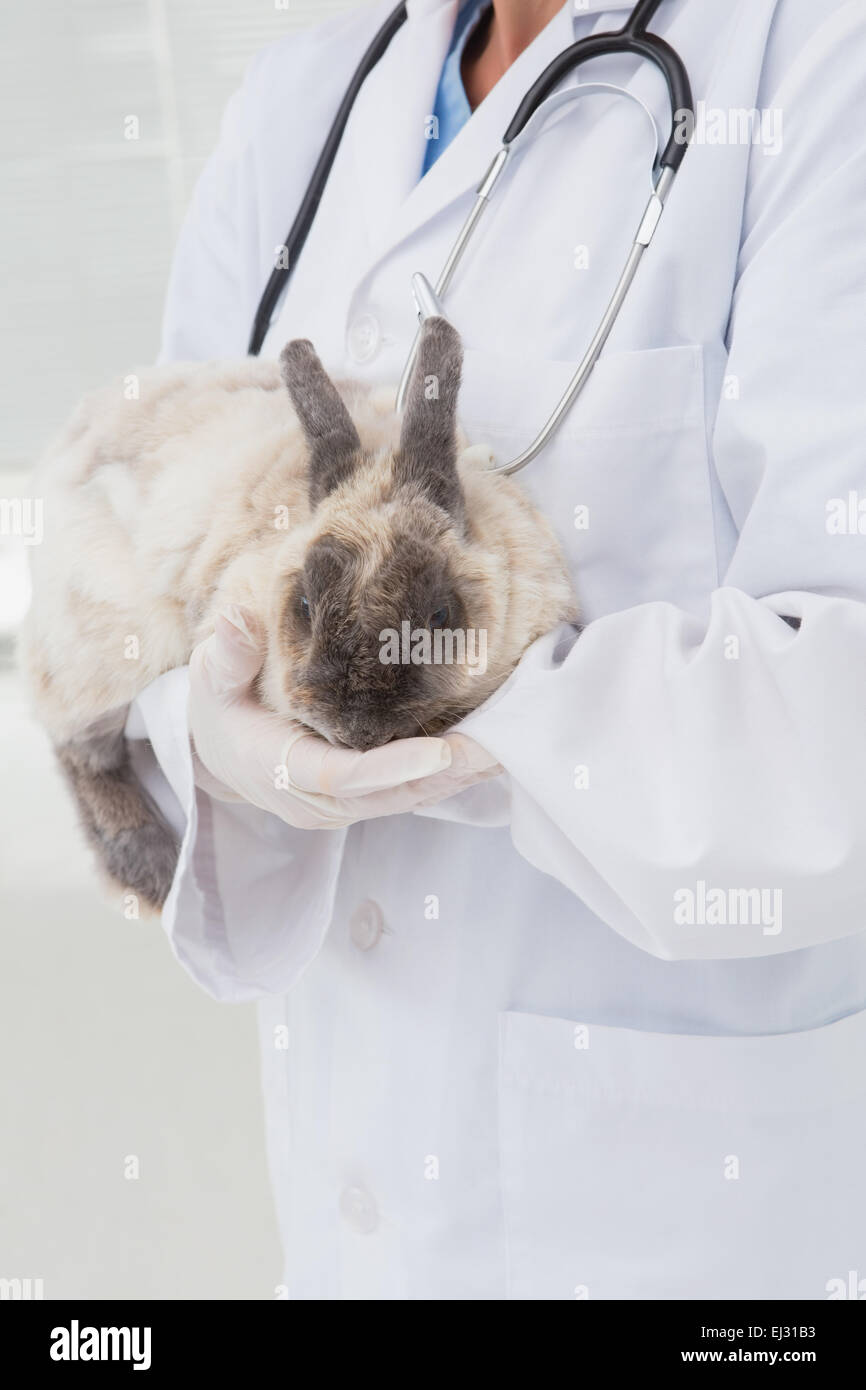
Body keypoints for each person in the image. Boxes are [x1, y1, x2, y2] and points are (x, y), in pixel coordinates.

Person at [127, 0, 866, 1299]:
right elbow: (156, 573)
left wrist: (448, 701)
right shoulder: (306, 104)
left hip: (687, 1243)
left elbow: (840, 702)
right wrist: (215, 732)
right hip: (344, 1228)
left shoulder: (814, 58)